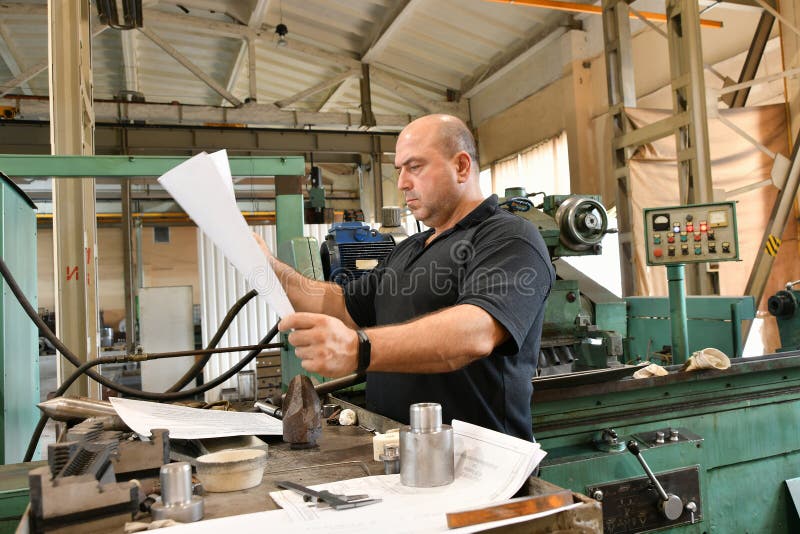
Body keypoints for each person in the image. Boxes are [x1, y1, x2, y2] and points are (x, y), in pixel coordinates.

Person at [255, 114, 554, 441]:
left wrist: (360, 349)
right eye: (399, 170)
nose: (401, 183)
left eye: (415, 167)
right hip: (399, 452)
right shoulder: (412, 247)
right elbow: (340, 305)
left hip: (480, 466)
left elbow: (475, 331)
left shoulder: (509, 237)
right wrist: (268, 268)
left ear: (462, 167)